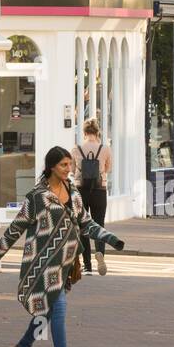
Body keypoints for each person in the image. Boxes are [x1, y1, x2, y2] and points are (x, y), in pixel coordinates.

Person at [0, 146, 125, 347]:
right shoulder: (37, 197)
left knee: (46, 312)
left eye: (70, 164)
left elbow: (86, 223)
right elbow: (16, 227)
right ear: (51, 167)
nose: (68, 169)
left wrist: (111, 239)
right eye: (63, 165)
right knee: (58, 309)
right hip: (42, 265)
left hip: (64, 264)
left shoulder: (74, 193)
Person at [75, 118, 111, 275]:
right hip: (99, 190)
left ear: (84, 133)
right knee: (99, 225)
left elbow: (71, 169)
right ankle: (100, 254)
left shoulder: (76, 149)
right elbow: (108, 168)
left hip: (81, 190)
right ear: (98, 133)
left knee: (83, 226)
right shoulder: (105, 149)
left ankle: (87, 265)